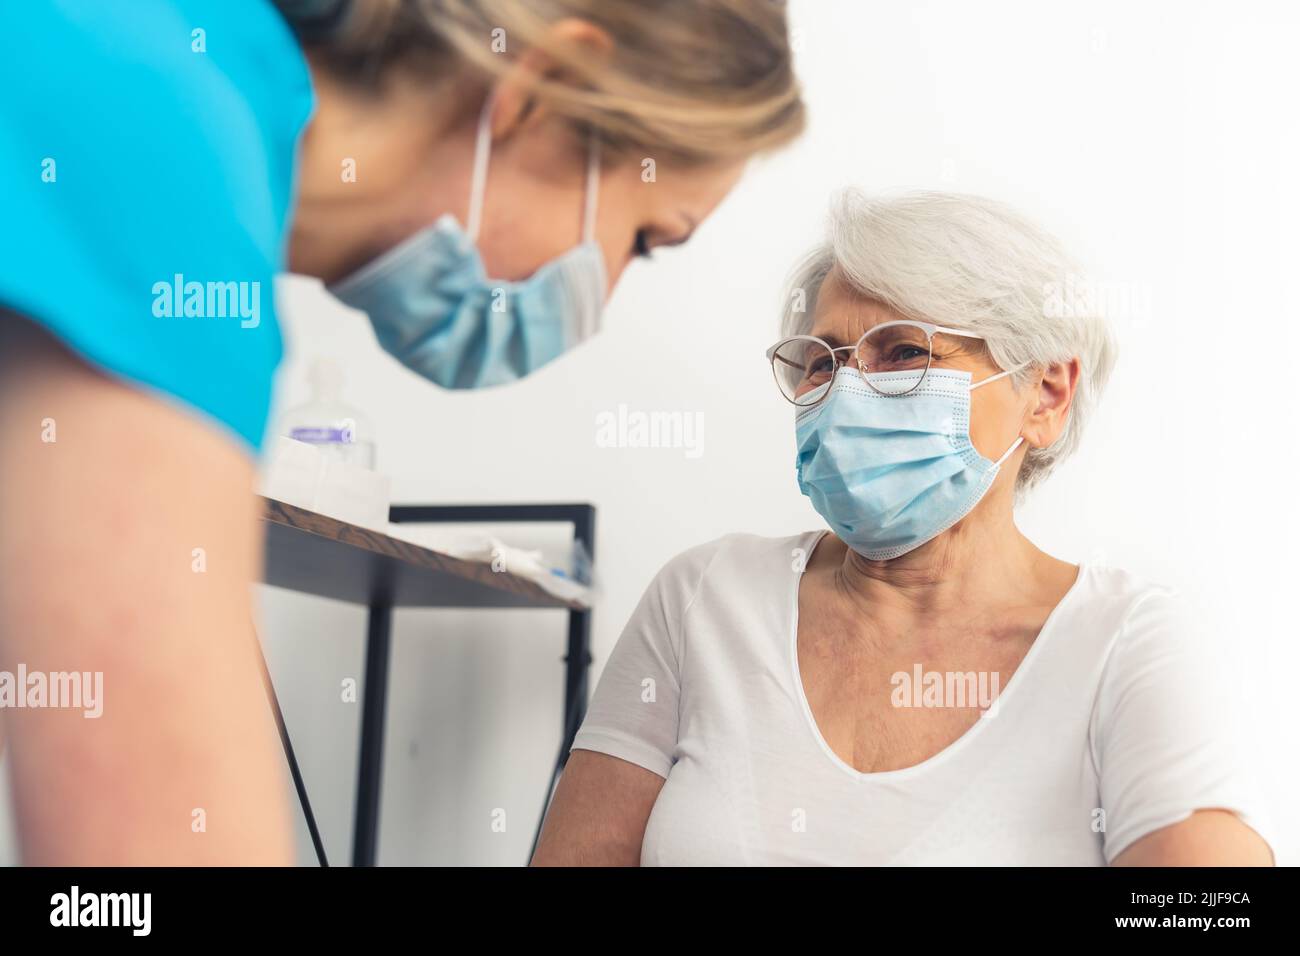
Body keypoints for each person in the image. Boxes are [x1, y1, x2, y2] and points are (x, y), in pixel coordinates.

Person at [0, 0, 804, 864]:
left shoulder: (142, 47)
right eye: (646, 238)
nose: (601, 301)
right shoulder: (164, 145)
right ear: (546, 88)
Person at [532, 190, 1276, 866]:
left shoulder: (1121, 643)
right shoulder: (702, 599)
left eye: (906, 353)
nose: (849, 391)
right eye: (822, 363)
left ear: (1046, 393)